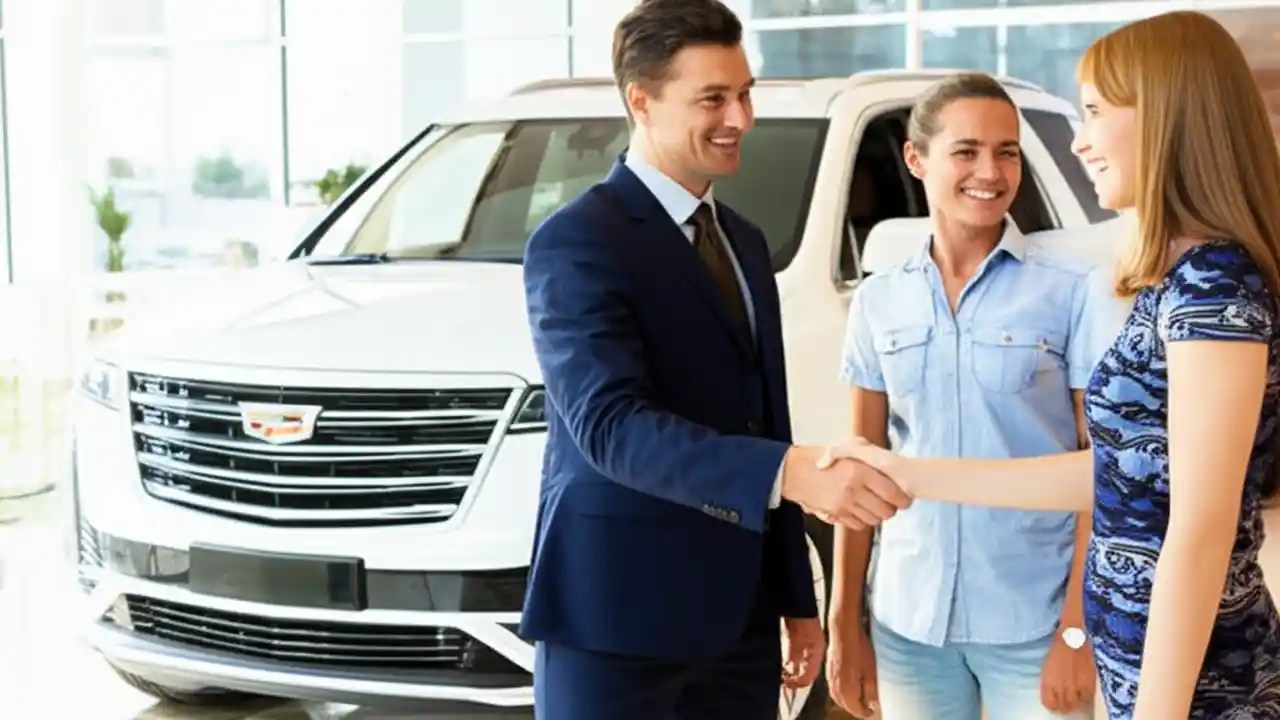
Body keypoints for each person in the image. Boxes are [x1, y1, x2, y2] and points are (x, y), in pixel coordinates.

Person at [822, 11, 1280, 720]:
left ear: (1163, 118)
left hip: (1195, 687)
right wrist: (909, 473)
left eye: (1095, 111)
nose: (1079, 138)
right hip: (1145, 670)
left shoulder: (1213, 288)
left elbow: (1200, 527)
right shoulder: (1178, 282)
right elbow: (1118, 470)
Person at [518, 1, 911, 718]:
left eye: (745, 92)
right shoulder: (577, 242)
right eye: (714, 98)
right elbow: (610, 426)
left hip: (739, 624)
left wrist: (796, 595)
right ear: (642, 100)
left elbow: (767, 418)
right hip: (616, 619)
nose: (741, 117)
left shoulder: (744, 240)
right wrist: (790, 474)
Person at [825, 72, 1108, 720]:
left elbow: (1100, 479)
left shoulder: (1069, 292)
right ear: (916, 158)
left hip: (1034, 626)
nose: (991, 170)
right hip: (910, 624)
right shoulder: (878, 299)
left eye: (1007, 151)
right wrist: (846, 620)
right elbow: (859, 470)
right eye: (967, 150)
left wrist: (1076, 630)